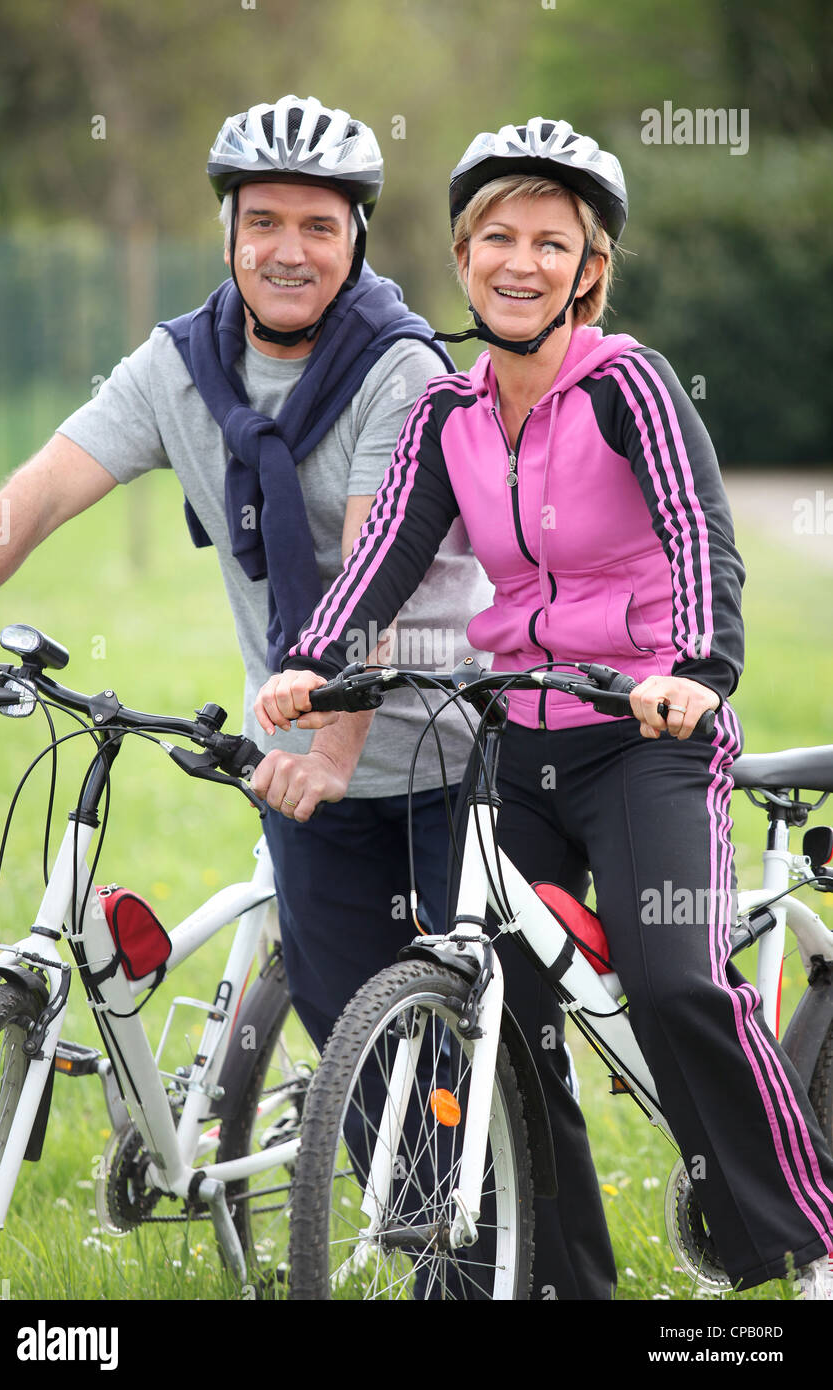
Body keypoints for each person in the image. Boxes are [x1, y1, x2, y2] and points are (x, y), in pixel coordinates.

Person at [255, 117, 833, 1299]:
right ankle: (562, 1281)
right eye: (497, 237)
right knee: (502, 1018)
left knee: (675, 980)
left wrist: (696, 671)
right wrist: (315, 657)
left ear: (588, 269)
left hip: (643, 738)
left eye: (550, 242)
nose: (520, 262)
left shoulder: (627, 384)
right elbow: (381, 565)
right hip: (515, 746)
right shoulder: (445, 414)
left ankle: (802, 1230)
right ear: (462, 254)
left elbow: (694, 537)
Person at [0, 96, 493, 1209]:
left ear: (356, 239)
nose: (287, 250)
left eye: (317, 224)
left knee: (468, 1056)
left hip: (442, 767)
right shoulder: (178, 368)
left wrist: (338, 743)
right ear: (227, 234)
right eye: (263, 221)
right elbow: (25, 507)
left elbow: (371, 576)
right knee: (352, 1044)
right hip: (299, 773)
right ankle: (418, 1247)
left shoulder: (397, 370)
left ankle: (512, 1258)